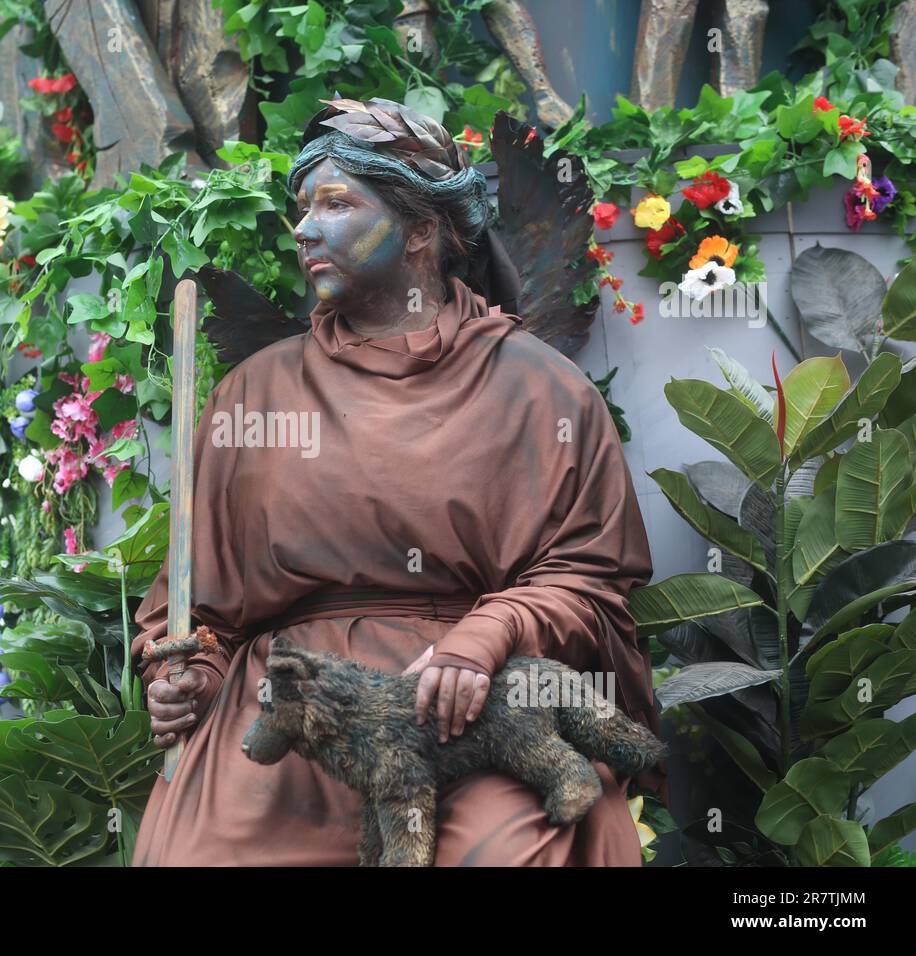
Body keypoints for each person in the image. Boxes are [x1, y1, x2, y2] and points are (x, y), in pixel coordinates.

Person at [129, 98, 662, 866]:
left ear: (420, 230)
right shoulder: (252, 395)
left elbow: (594, 584)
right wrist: (189, 671)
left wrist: (489, 635)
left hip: (473, 708)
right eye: (301, 207)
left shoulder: (541, 390)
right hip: (292, 708)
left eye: (336, 204)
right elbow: (199, 605)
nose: (305, 228)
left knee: (507, 854)